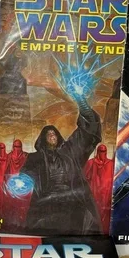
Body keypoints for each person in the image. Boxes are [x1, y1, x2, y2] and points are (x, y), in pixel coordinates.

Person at [20, 96, 103, 235]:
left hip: (71, 198)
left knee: (76, 229)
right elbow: (26, 173)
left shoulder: (69, 151)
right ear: (43, 139)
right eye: (48, 134)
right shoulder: (36, 157)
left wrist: (83, 105)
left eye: (54, 133)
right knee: (43, 232)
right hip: (47, 201)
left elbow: (86, 133)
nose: (52, 136)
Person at [84, 143, 114, 231]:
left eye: (104, 151)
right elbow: (84, 176)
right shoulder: (91, 162)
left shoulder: (110, 164)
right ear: (97, 151)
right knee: (93, 214)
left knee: (104, 216)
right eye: (101, 151)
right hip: (93, 193)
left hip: (105, 195)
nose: (102, 153)